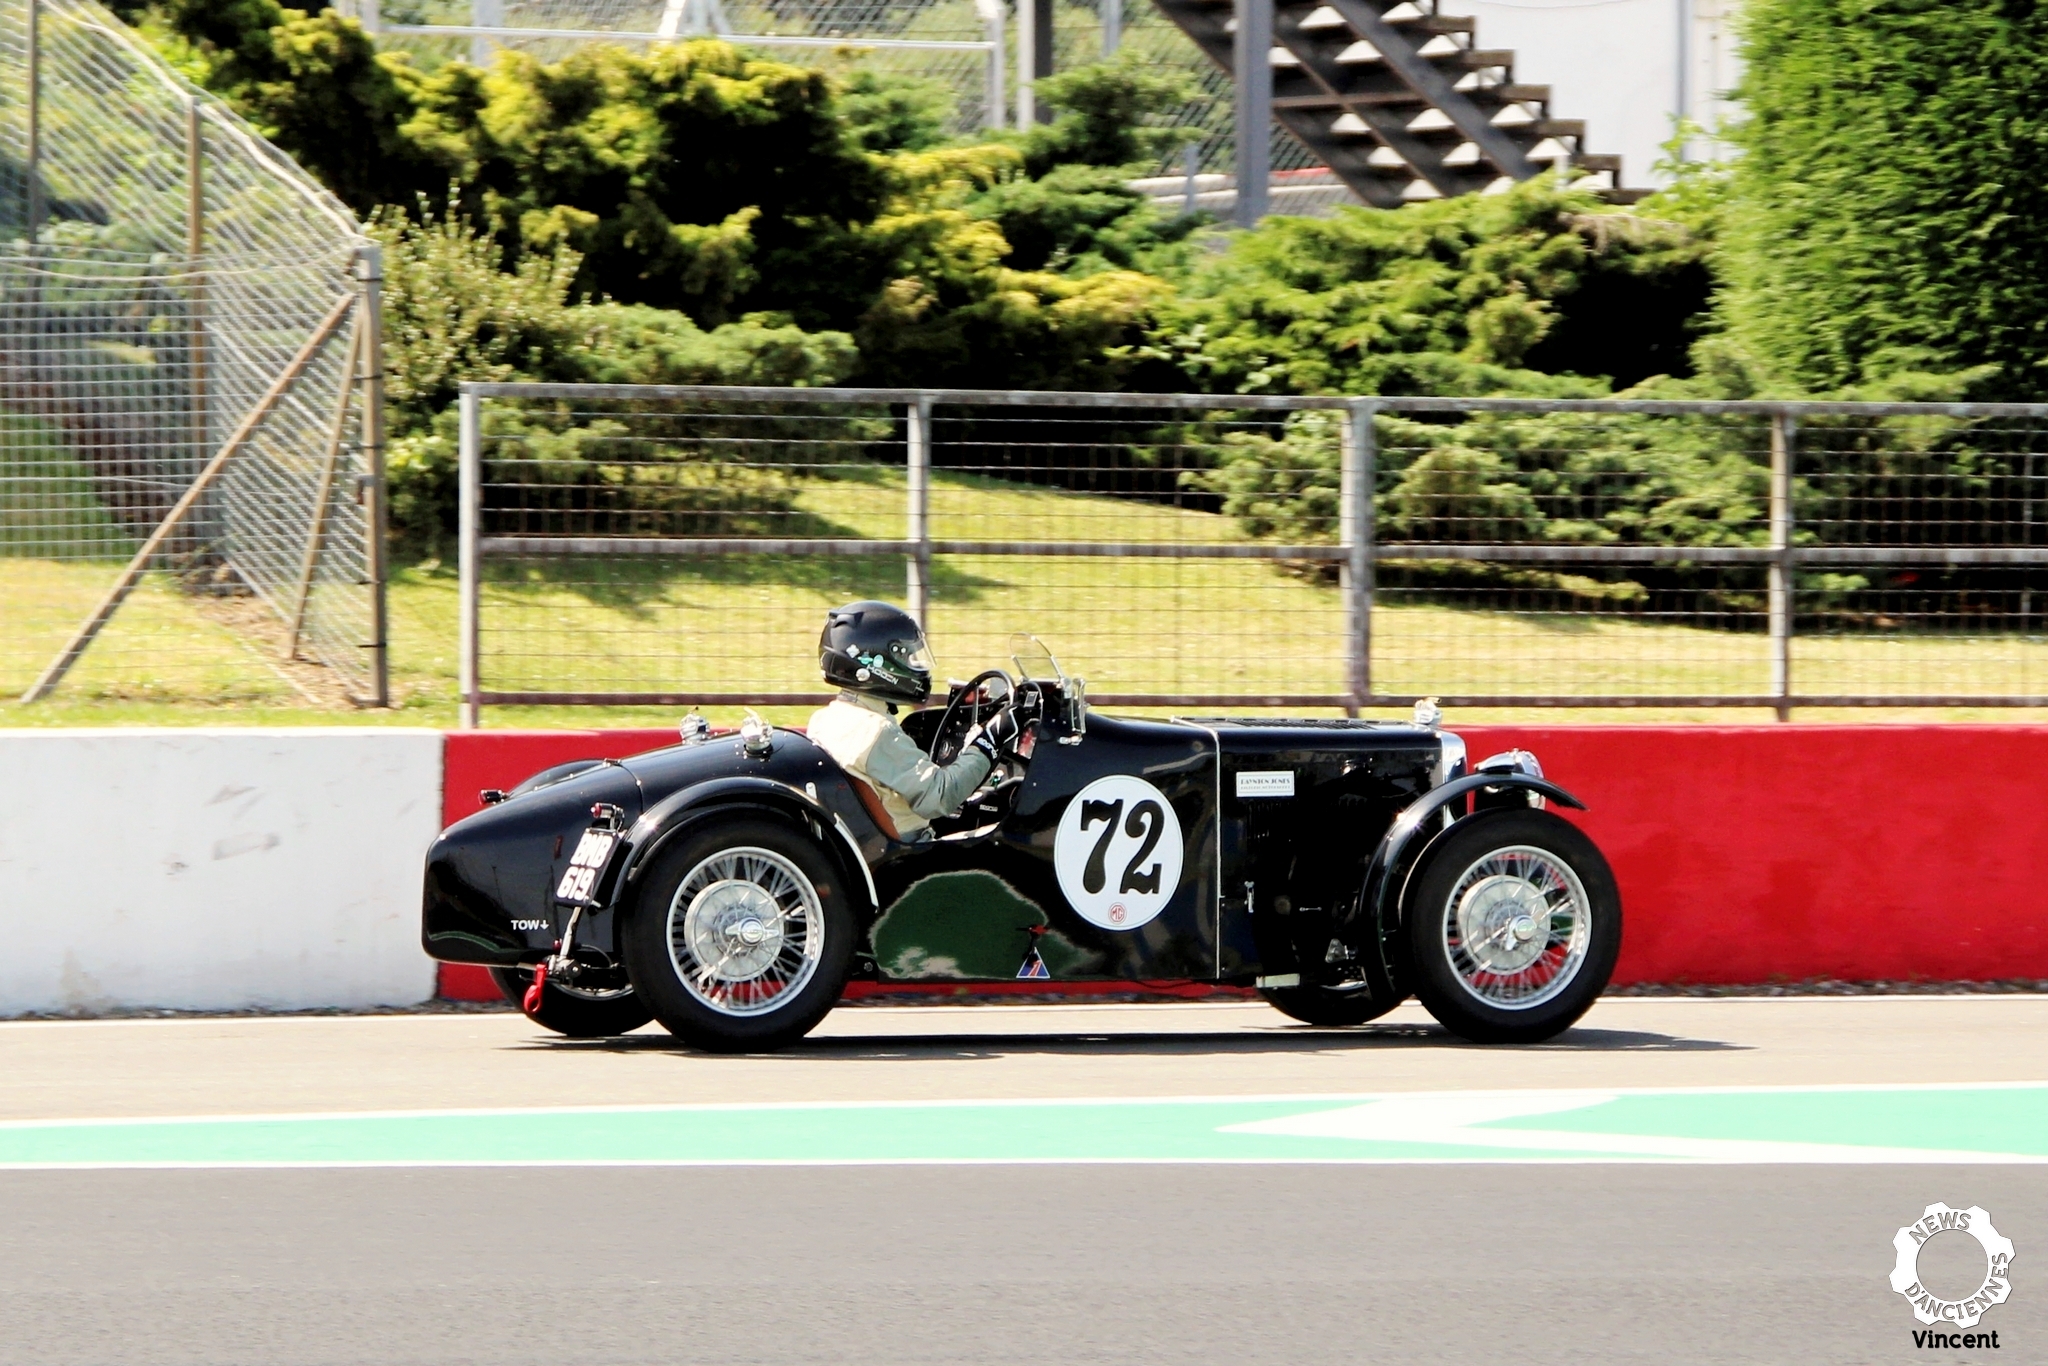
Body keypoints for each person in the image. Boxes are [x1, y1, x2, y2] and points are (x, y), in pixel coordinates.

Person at [807, 600, 1018, 840]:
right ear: (875, 663)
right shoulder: (876, 732)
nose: (914, 666)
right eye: (904, 656)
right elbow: (940, 796)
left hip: (866, 844)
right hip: (911, 851)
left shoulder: (824, 720)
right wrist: (989, 740)